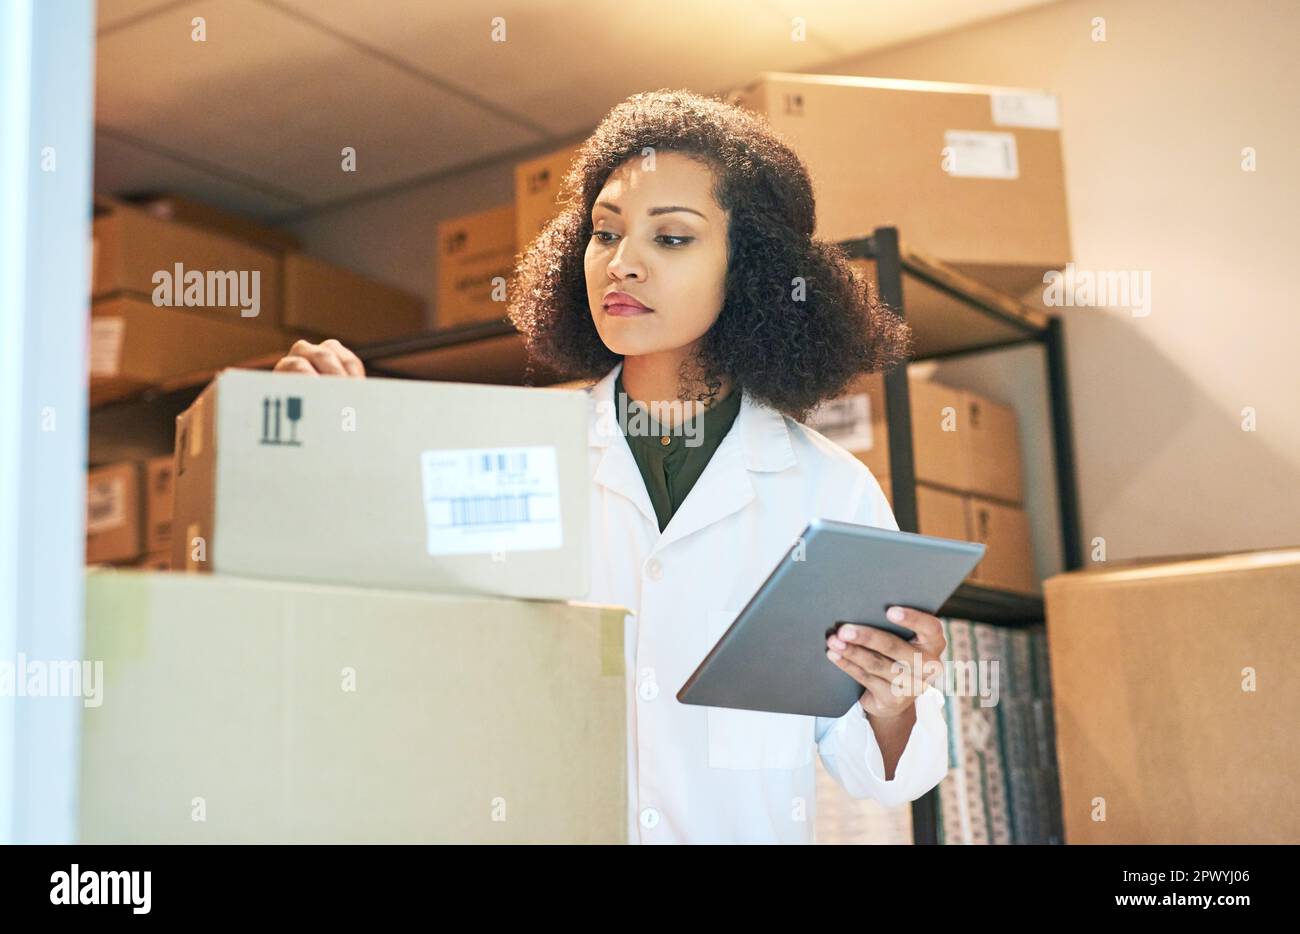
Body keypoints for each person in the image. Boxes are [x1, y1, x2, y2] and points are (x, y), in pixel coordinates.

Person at [272, 89, 950, 844]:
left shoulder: (827, 491)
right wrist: (332, 448)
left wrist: (895, 700)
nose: (622, 264)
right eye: (604, 233)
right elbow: (386, 649)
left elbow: (886, 776)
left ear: (752, 268)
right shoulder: (514, 456)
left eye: (672, 239)